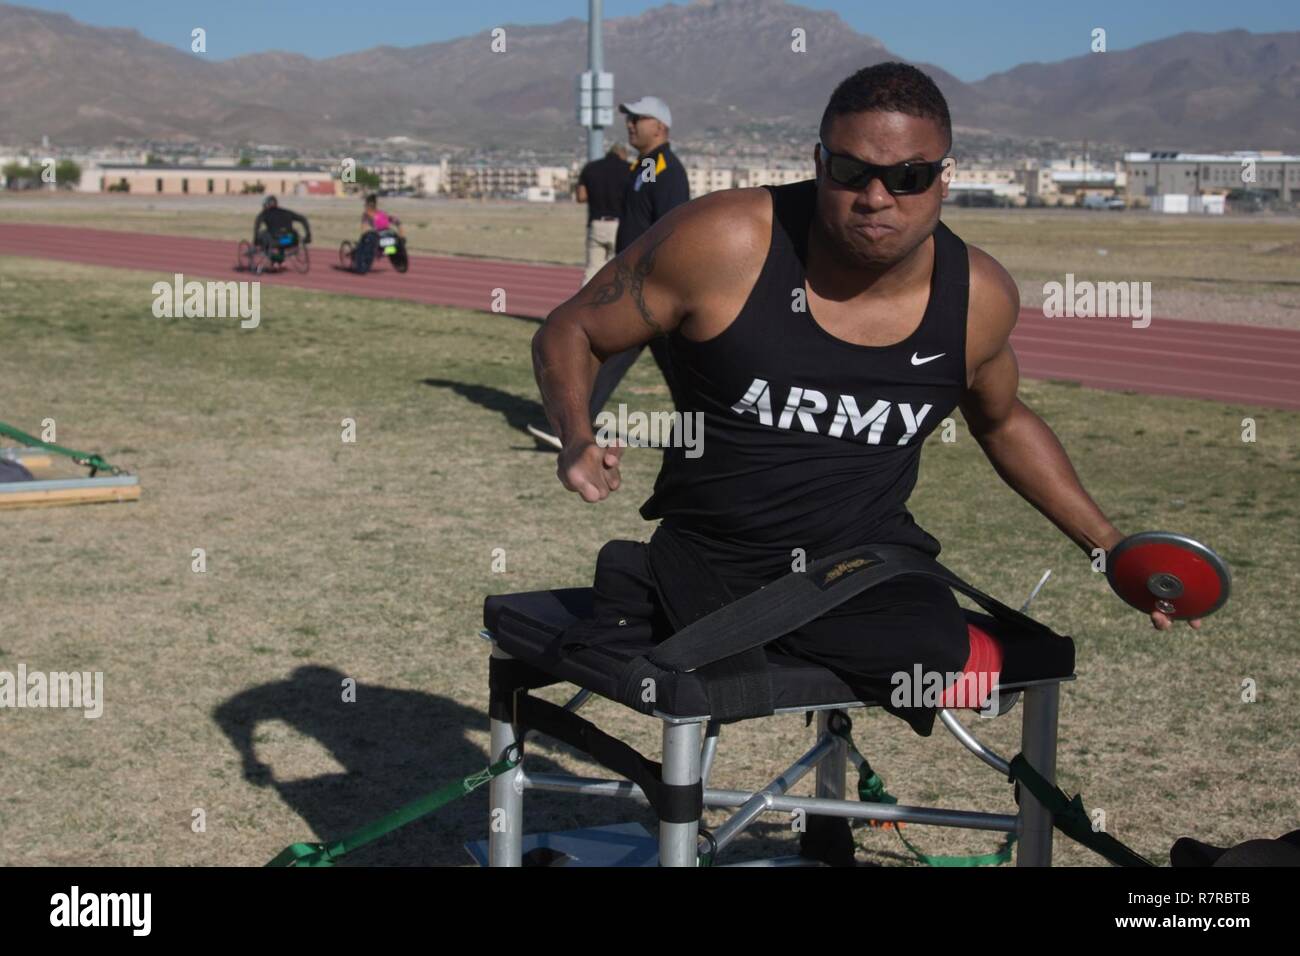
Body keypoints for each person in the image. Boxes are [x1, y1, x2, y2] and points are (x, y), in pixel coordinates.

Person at [532, 62, 1198, 741]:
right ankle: (654, 587)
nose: (877, 197)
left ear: (944, 177)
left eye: (908, 176)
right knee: (733, 641)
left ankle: (675, 609)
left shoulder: (978, 298)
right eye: (852, 171)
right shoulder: (726, 240)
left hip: (861, 567)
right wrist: (577, 436)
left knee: (927, 650)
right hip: (713, 552)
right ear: (819, 163)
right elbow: (573, 328)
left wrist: (1110, 548)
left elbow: (1001, 420)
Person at [529, 99, 689, 450]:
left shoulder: (667, 169)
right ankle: (574, 432)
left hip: (654, 291)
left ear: (659, 127)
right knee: (615, 355)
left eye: (637, 119)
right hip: (637, 290)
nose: (629, 125)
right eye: (628, 119)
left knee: (677, 372)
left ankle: (701, 437)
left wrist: (658, 286)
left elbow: (673, 231)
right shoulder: (643, 166)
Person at [577, 142, 630, 287]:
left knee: (592, 270)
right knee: (617, 270)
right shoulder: (629, 169)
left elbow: (581, 197)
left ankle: (583, 304)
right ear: (624, 154)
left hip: (596, 224)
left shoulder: (590, 168)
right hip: (619, 226)